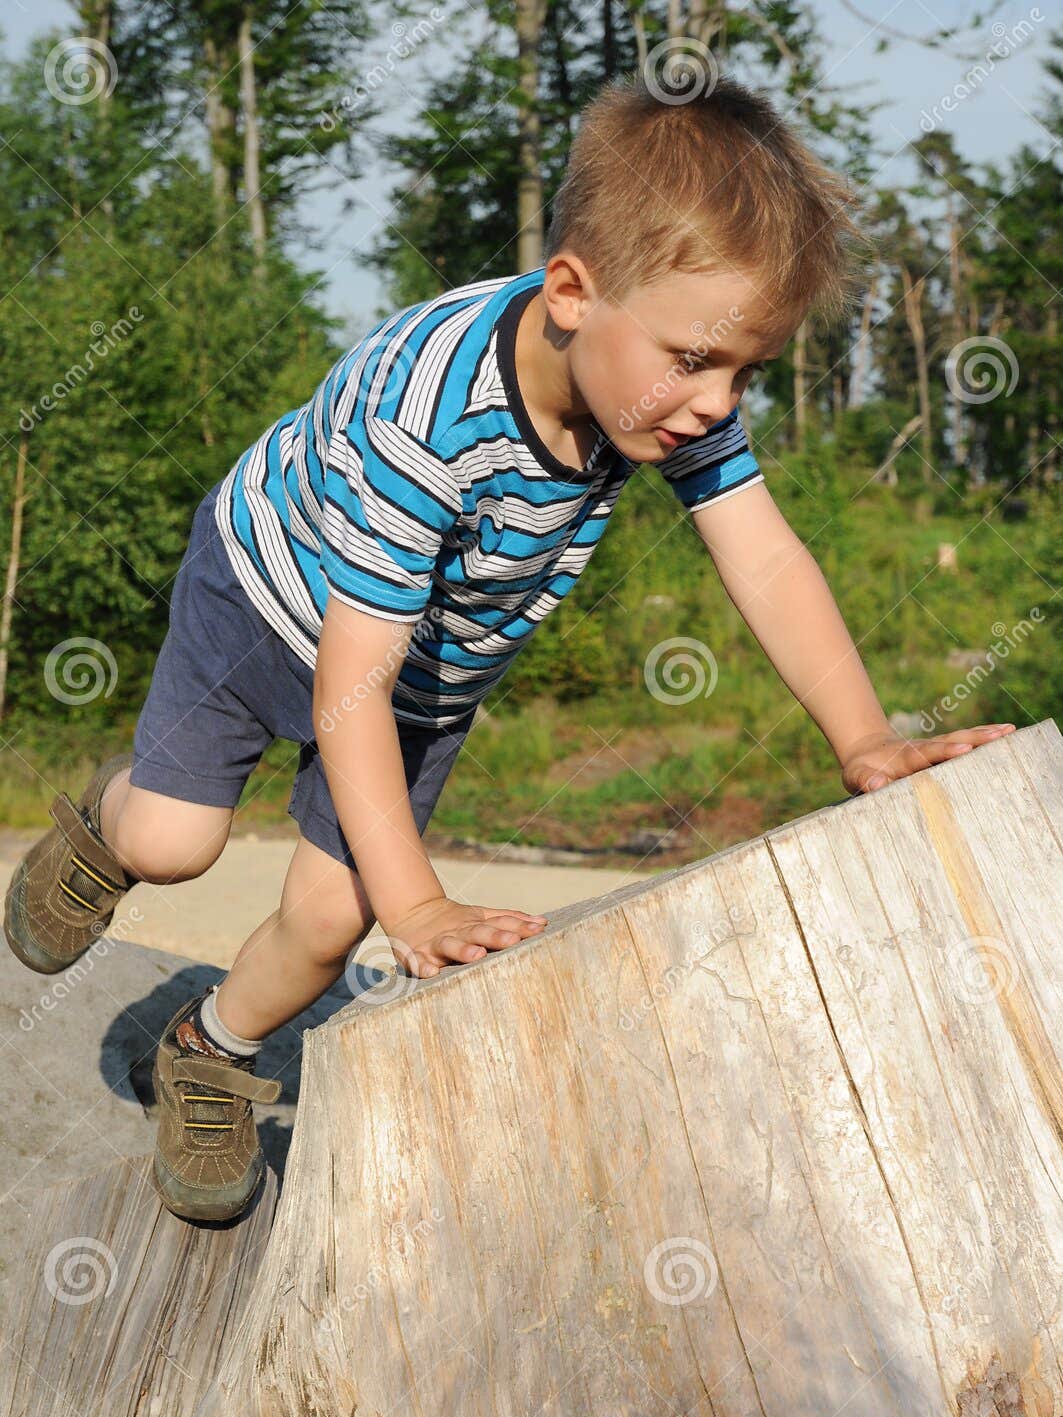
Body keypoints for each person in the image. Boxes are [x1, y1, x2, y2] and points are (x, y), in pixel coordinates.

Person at [3, 72, 1015, 1224]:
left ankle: (207, 1047)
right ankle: (107, 822)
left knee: (333, 921)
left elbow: (765, 557)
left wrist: (865, 735)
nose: (715, 403)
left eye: (746, 372)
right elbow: (347, 682)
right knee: (178, 842)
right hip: (270, 600)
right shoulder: (427, 416)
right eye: (696, 360)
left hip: (421, 672)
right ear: (574, 291)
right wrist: (422, 903)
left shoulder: (653, 384)